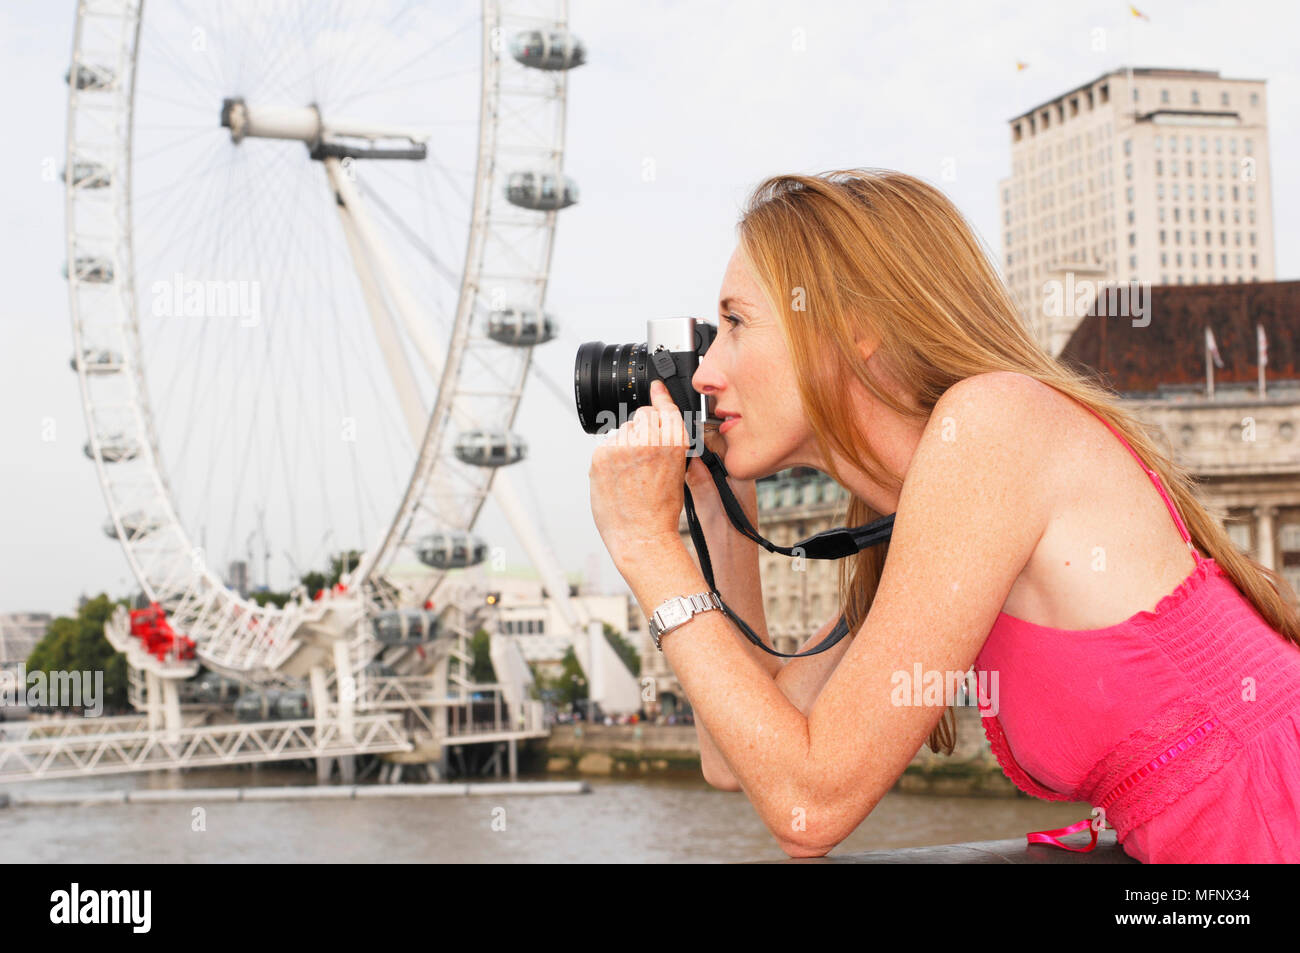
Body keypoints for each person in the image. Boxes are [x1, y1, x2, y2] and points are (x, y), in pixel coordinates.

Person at [587, 168, 1300, 861]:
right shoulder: (918, 502)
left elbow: (813, 804)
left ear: (853, 329)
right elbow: (735, 756)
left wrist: (646, 546)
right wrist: (717, 514)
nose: (706, 372)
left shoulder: (994, 425)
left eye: (735, 323)